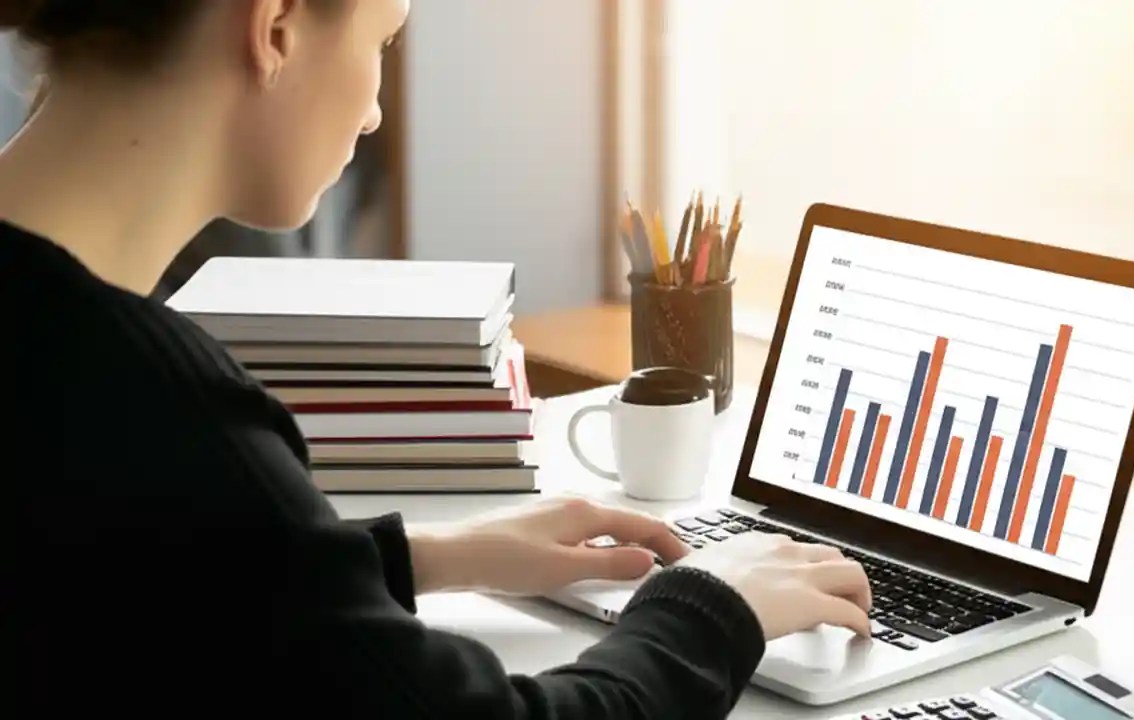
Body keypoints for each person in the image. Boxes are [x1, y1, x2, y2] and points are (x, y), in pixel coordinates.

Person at [0, 1, 873, 717]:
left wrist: (424, 555)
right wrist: (713, 607)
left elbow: (150, 579)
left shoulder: (64, 370)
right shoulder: (158, 412)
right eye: (383, 40)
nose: (377, 109)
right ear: (274, 28)